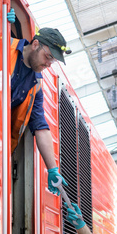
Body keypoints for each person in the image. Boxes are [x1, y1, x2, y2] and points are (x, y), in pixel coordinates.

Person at [8, 15, 69, 194]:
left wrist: (52, 169)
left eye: (53, 61)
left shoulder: (36, 86)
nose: (49, 64)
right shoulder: (4, 46)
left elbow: (40, 126)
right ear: (35, 44)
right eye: (48, 56)